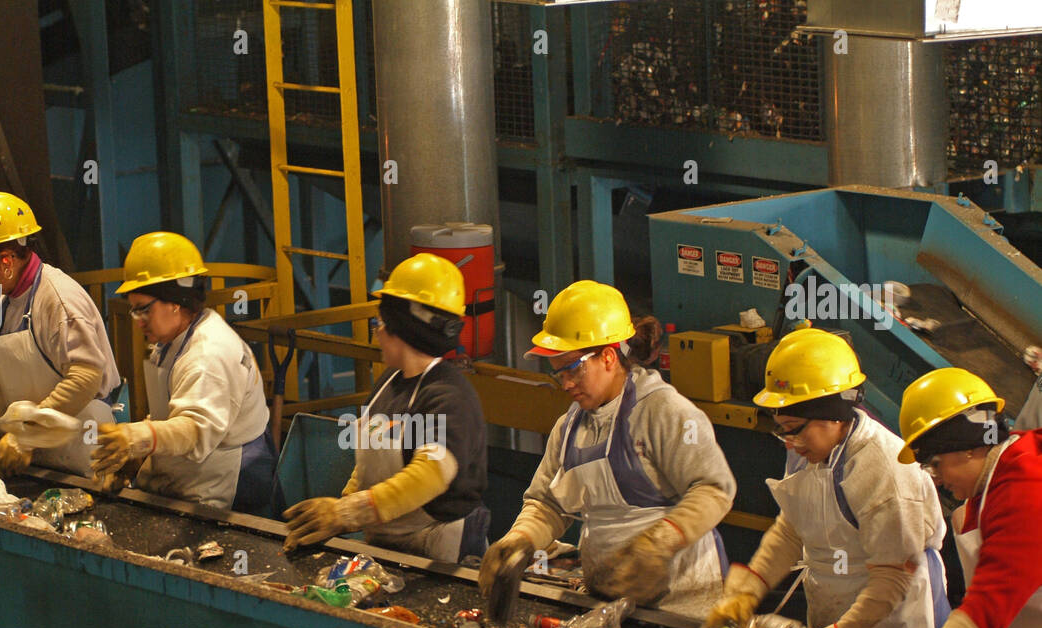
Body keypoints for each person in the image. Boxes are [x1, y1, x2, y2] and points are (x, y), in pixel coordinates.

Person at [704, 329, 949, 628]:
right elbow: (791, 527)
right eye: (781, 430)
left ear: (832, 415)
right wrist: (750, 588)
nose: (788, 443)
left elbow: (891, 581)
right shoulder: (808, 450)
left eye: (794, 428)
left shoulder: (883, 469)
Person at [480, 281, 735, 608]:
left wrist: (661, 541)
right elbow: (547, 503)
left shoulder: (664, 412)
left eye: (573, 369)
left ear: (609, 356)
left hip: (683, 607)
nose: (566, 384)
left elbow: (714, 489)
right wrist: (518, 541)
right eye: (558, 372)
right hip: (611, 600)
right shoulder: (571, 427)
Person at [283, 253, 489, 561]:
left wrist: (346, 513)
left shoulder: (448, 396)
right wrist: (340, 508)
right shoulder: (388, 383)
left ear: (402, 328)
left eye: (380, 323)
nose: (376, 332)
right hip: (385, 543)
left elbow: (431, 474)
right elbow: (368, 463)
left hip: (438, 550)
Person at [0, 192, 121, 484]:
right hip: (40, 455)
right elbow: (4, 380)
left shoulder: (59, 301)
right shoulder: (8, 302)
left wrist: (26, 436)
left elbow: (85, 377)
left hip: (81, 452)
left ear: (6, 261)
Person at [89, 231, 274, 512]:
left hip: (226, 487)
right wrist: (135, 459)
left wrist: (137, 437)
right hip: (193, 475)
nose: (138, 322)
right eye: (134, 312)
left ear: (175, 301)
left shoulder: (208, 355)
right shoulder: (175, 340)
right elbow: (174, 410)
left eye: (143, 310)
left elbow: (195, 430)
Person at [892, 368, 1042, 628]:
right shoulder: (984, 496)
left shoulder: (1025, 482)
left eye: (935, 464)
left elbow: (991, 600)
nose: (937, 479)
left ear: (968, 447)